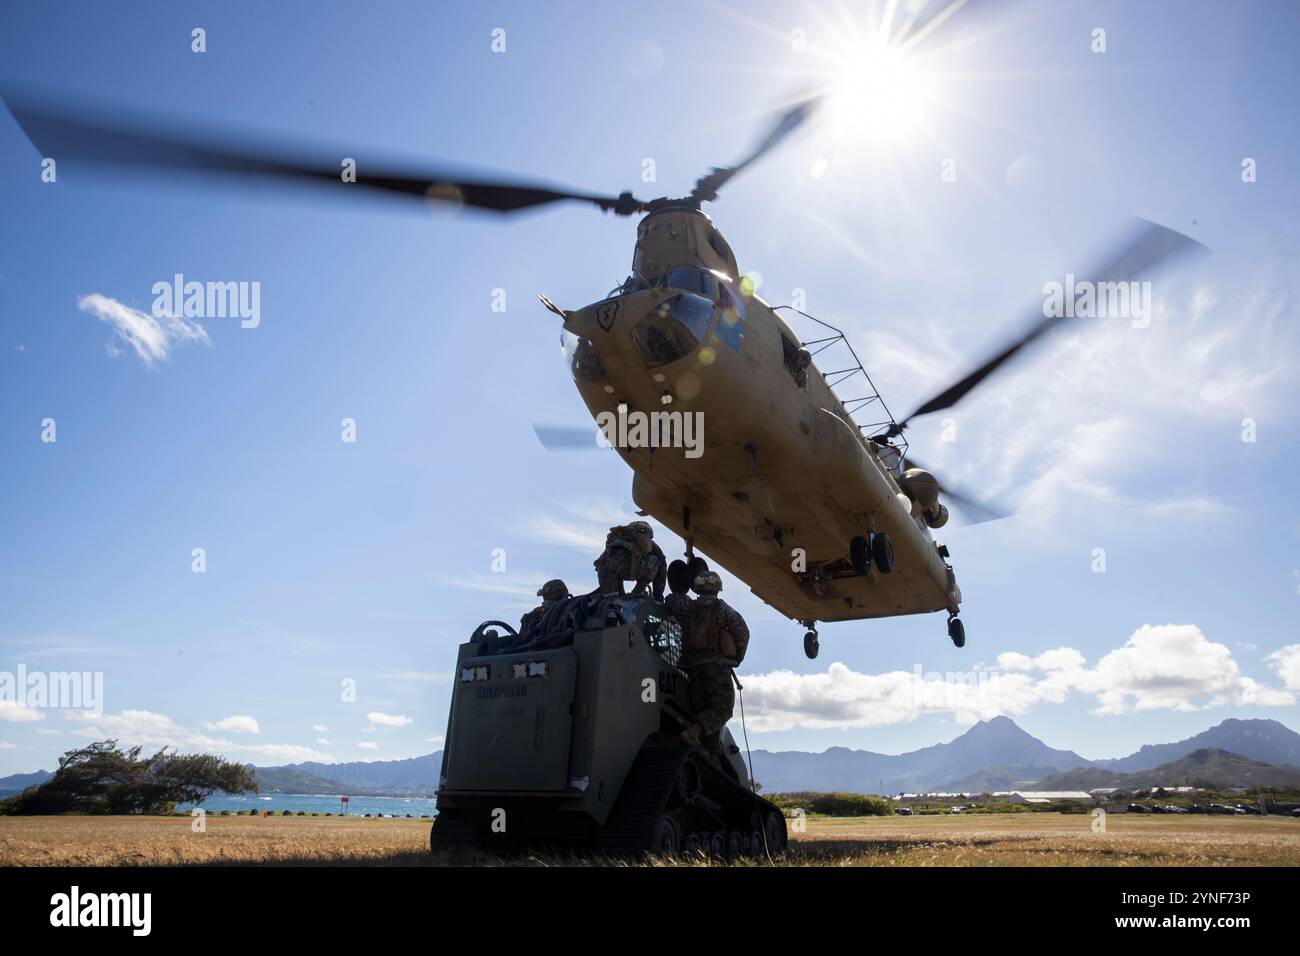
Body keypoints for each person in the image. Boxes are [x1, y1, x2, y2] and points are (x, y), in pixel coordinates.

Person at [677, 571, 749, 758]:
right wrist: (734, 659)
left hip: (691, 668)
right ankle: (694, 731)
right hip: (715, 666)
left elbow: (672, 603)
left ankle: (711, 758)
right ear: (718, 588)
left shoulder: (687, 608)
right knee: (722, 708)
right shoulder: (723, 610)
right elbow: (742, 633)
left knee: (703, 711)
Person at [594, 521, 665, 598]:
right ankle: (637, 593)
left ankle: (613, 596)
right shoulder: (650, 543)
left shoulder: (617, 537)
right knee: (656, 560)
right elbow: (662, 565)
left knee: (614, 598)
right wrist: (658, 594)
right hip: (633, 568)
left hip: (608, 571)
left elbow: (600, 563)